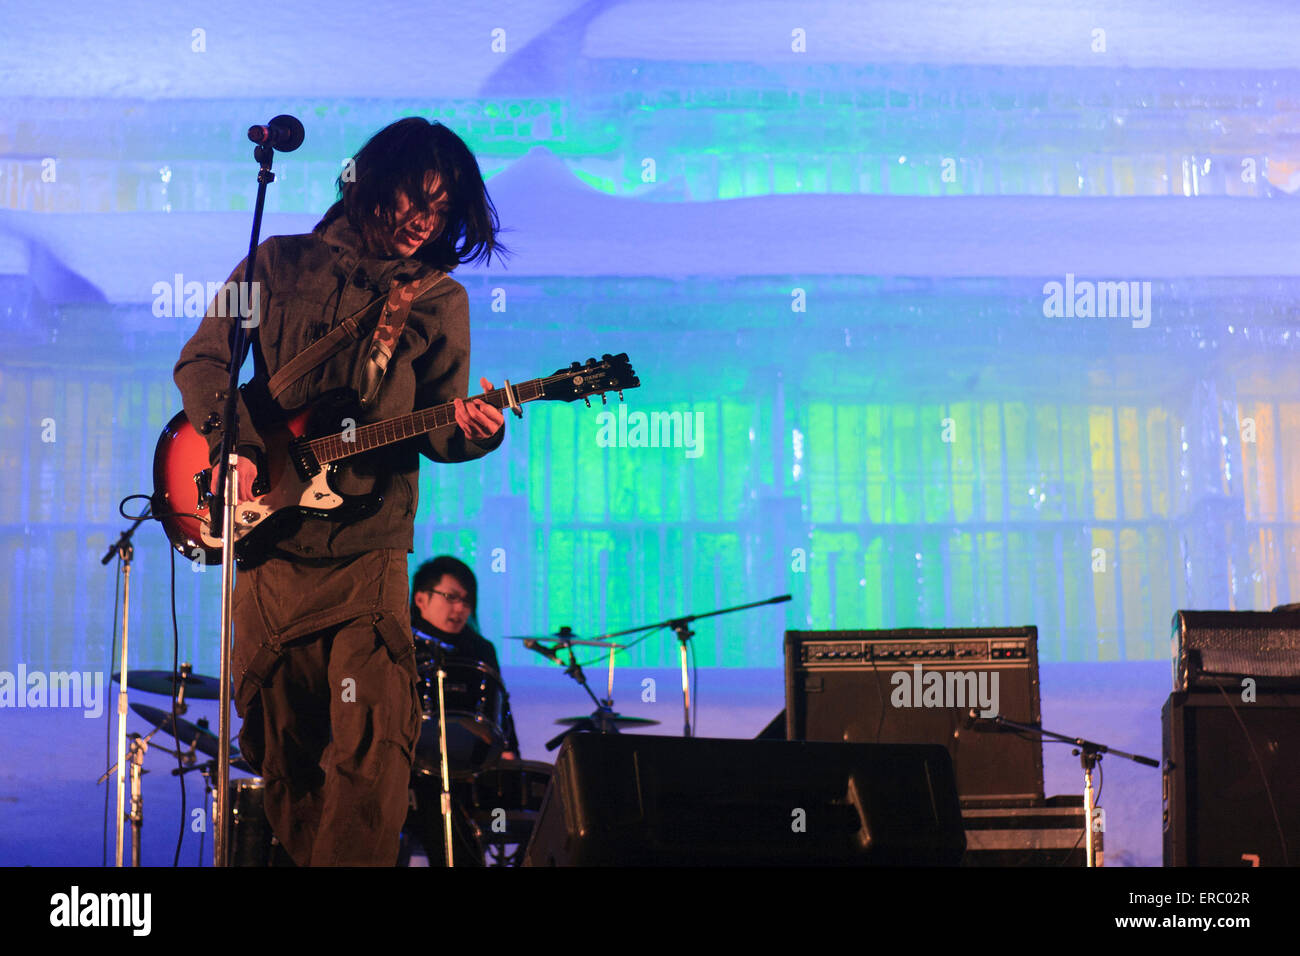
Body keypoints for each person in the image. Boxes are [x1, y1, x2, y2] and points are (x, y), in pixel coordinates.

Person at [173, 117, 507, 866]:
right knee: (282, 750)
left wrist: (480, 427)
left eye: (441, 210)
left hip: (370, 549)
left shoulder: (439, 300)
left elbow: (442, 430)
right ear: (369, 185)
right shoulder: (276, 263)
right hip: (271, 548)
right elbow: (203, 361)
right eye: (411, 200)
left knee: (374, 749)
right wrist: (238, 451)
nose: (424, 222)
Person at [404, 555, 520, 866]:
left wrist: (508, 755)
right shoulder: (401, 644)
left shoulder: (480, 649)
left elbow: (499, 712)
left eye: (467, 601)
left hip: (466, 770)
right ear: (420, 599)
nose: (460, 609)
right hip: (409, 767)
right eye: (451, 597)